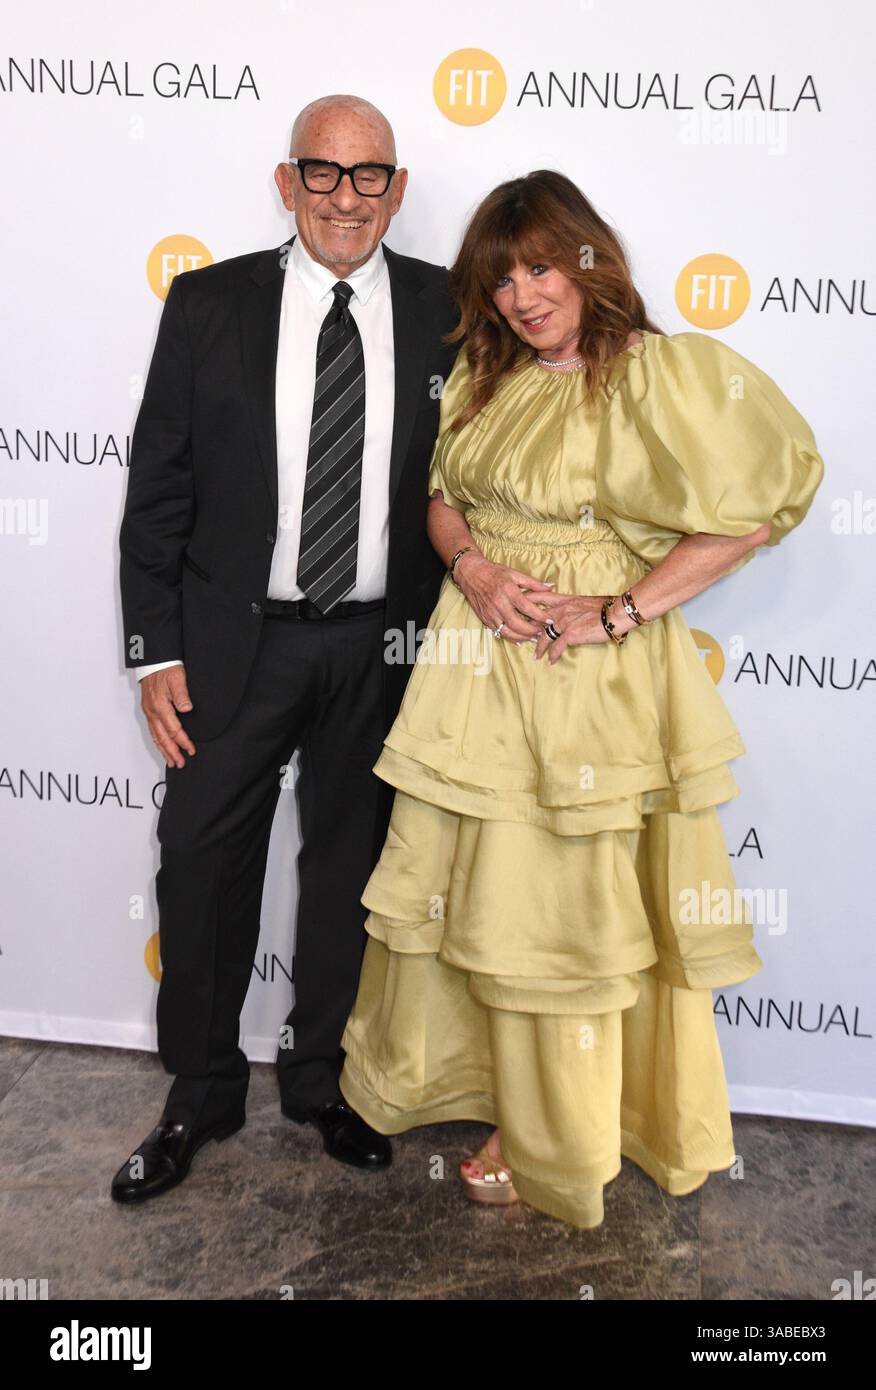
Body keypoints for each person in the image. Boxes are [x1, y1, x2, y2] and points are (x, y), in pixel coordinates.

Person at [338, 169, 825, 1229]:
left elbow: (753, 513)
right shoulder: (485, 369)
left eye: (542, 267)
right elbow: (442, 501)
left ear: (589, 261)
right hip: (477, 666)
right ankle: (499, 1092)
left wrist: (618, 611)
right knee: (479, 895)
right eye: (503, 277)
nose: (522, 294)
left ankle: (559, 1130)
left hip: (585, 683)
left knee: (564, 910)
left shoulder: (656, 372)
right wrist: (474, 571)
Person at [113, 95, 459, 1202]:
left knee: (350, 872)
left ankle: (321, 1081)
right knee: (204, 865)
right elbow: (158, 489)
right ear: (286, 180)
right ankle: (201, 1092)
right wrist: (150, 650)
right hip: (230, 648)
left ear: (397, 190)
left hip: (381, 646)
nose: (345, 197)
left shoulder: (450, 308)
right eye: (323, 172)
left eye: (368, 176)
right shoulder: (208, 303)